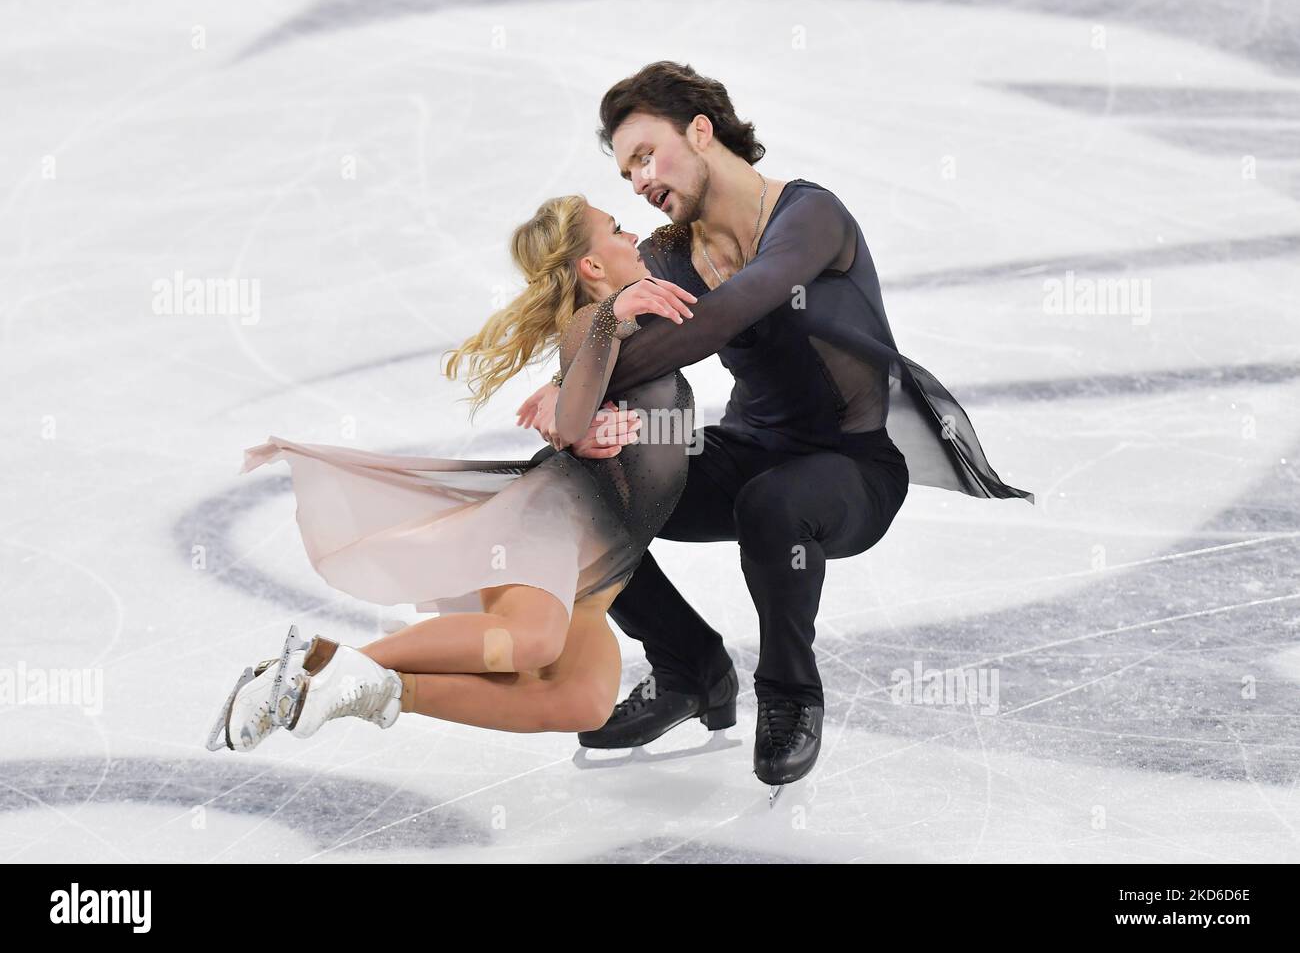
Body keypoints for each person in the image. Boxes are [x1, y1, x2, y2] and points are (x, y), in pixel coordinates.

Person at [518, 62, 1034, 788]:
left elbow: (724, 315)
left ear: (700, 131)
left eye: (645, 155)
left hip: (850, 469)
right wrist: (570, 390)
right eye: (626, 170)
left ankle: (791, 696)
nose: (636, 182)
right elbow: (621, 341)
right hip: (748, 452)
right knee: (570, 488)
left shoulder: (810, 217)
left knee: (776, 503)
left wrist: (573, 387)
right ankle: (688, 669)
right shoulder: (668, 252)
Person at [205, 195, 704, 752]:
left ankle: (360, 686)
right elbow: (571, 415)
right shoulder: (595, 321)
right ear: (591, 267)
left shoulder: (632, 324)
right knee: (530, 641)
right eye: (616, 229)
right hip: (553, 524)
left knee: (581, 700)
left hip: (607, 560)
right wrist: (599, 343)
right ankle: (308, 672)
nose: (632, 236)